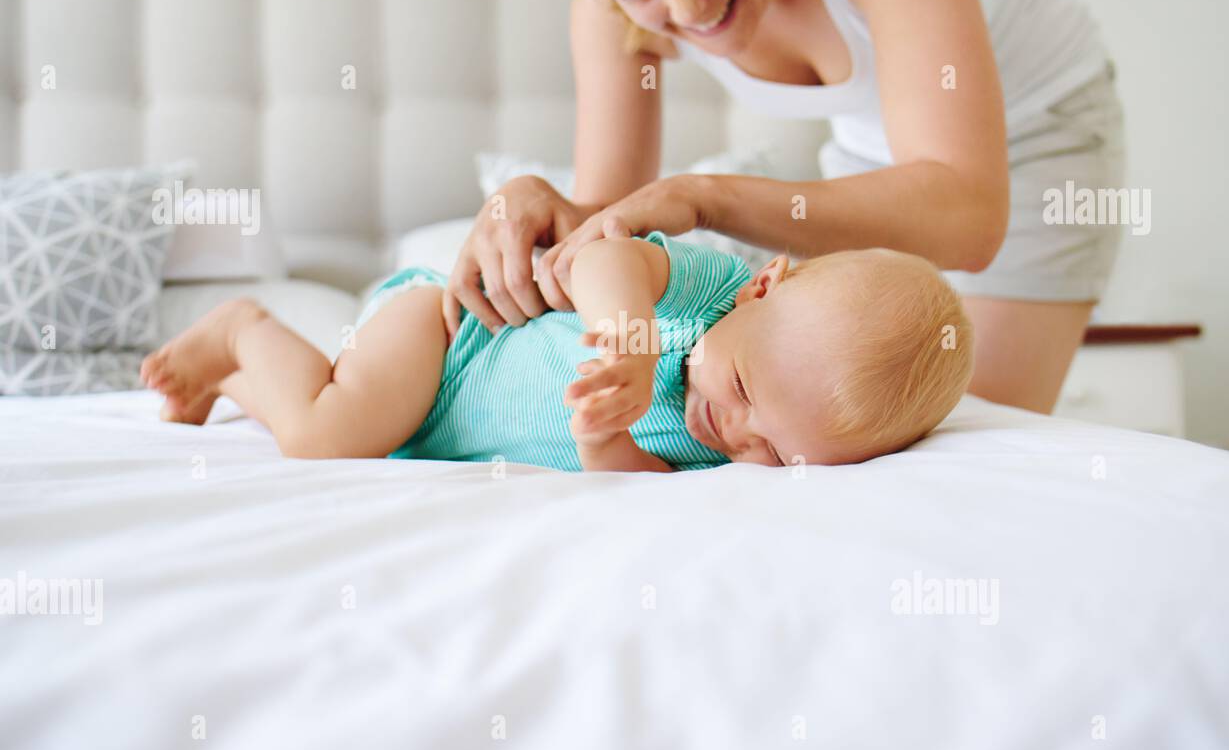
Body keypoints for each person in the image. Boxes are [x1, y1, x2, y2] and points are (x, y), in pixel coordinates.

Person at [443, 0, 1124, 413]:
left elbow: (970, 219)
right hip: (873, 159)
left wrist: (707, 197)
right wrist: (531, 202)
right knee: (818, 426)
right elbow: (603, 217)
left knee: (960, 435)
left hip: (1035, 141)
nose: (684, 5)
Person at [139, 232, 973, 472]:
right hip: (447, 334)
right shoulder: (710, 288)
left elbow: (634, 485)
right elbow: (606, 254)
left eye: (776, 451)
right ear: (766, 285)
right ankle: (245, 326)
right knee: (327, 432)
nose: (736, 428)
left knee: (346, 425)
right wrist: (632, 341)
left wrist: (606, 439)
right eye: (747, 386)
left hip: (427, 430)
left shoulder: (718, 453)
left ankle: (233, 379)